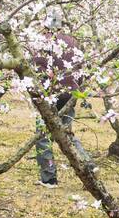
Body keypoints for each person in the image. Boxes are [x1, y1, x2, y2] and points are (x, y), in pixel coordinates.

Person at [28, 11, 83, 187]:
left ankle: (49, 176)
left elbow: (35, 70)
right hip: (69, 94)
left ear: (45, 26)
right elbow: (80, 70)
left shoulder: (42, 43)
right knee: (67, 133)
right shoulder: (73, 42)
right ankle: (87, 165)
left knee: (43, 135)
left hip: (49, 96)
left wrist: (34, 93)